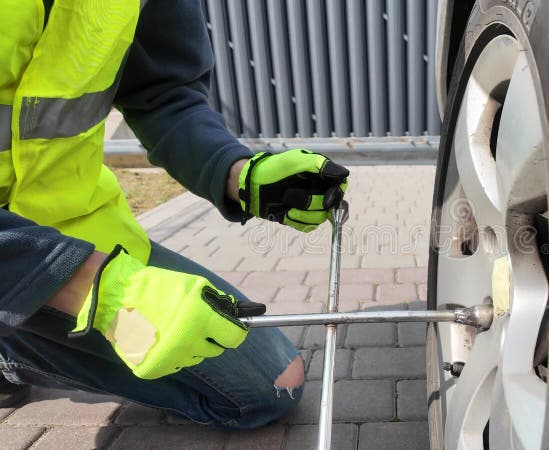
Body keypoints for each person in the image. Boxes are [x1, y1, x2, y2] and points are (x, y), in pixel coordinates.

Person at [0, 0, 349, 429]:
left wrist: (240, 174)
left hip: (74, 227)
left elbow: (163, 94)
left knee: (272, 383)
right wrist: (99, 291)